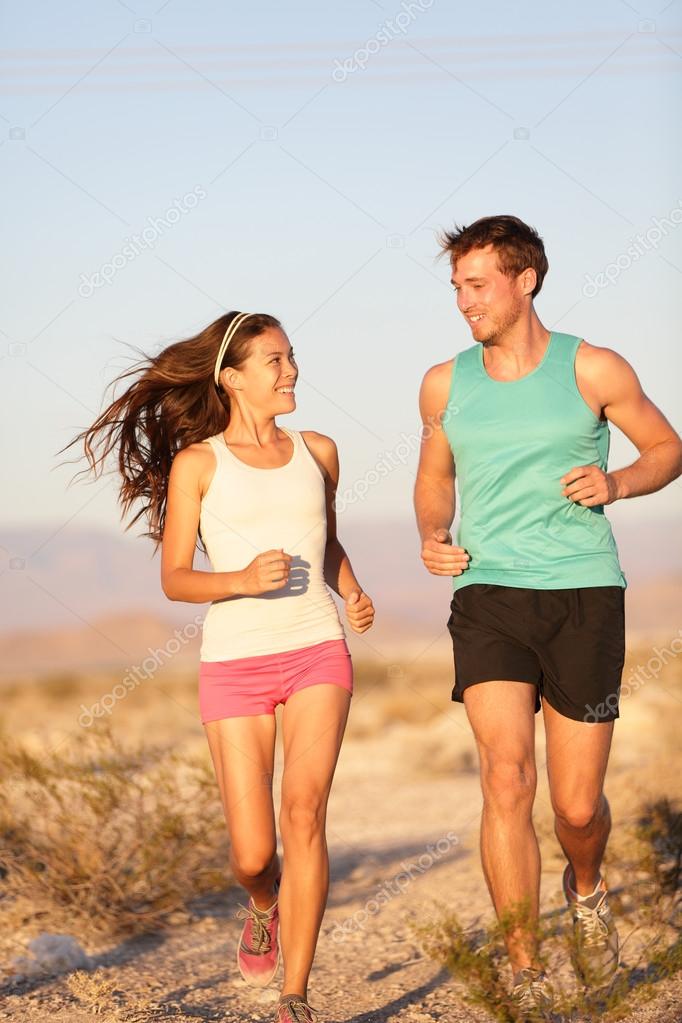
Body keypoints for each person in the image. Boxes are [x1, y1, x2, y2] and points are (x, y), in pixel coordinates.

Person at [413, 215, 681, 1019]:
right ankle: (522, 958)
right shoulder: (444, 382)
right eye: (457, 287)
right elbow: (435, 476)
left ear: (525, 278)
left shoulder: (592, 366)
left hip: (583, 594)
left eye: (478, 284)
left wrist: (619, 483)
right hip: (489, 593)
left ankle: (588, 886)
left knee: (574, 806)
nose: (464, 301)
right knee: (505, 776)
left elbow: (667, 446)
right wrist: (432, 531)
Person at [72, 310, 375, 1023]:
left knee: (304, 816)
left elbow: (324, 538)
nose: (291, 369)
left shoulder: (320, 450)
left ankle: (294, 992)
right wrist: (240, 578)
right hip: (235, 661)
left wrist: (352, 588)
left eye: (292, 355)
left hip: (316, 648)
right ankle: (263, 903)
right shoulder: (198, 463)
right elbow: (176, 577)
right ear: (233, 377)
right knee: (251, 850)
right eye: (275, 360)